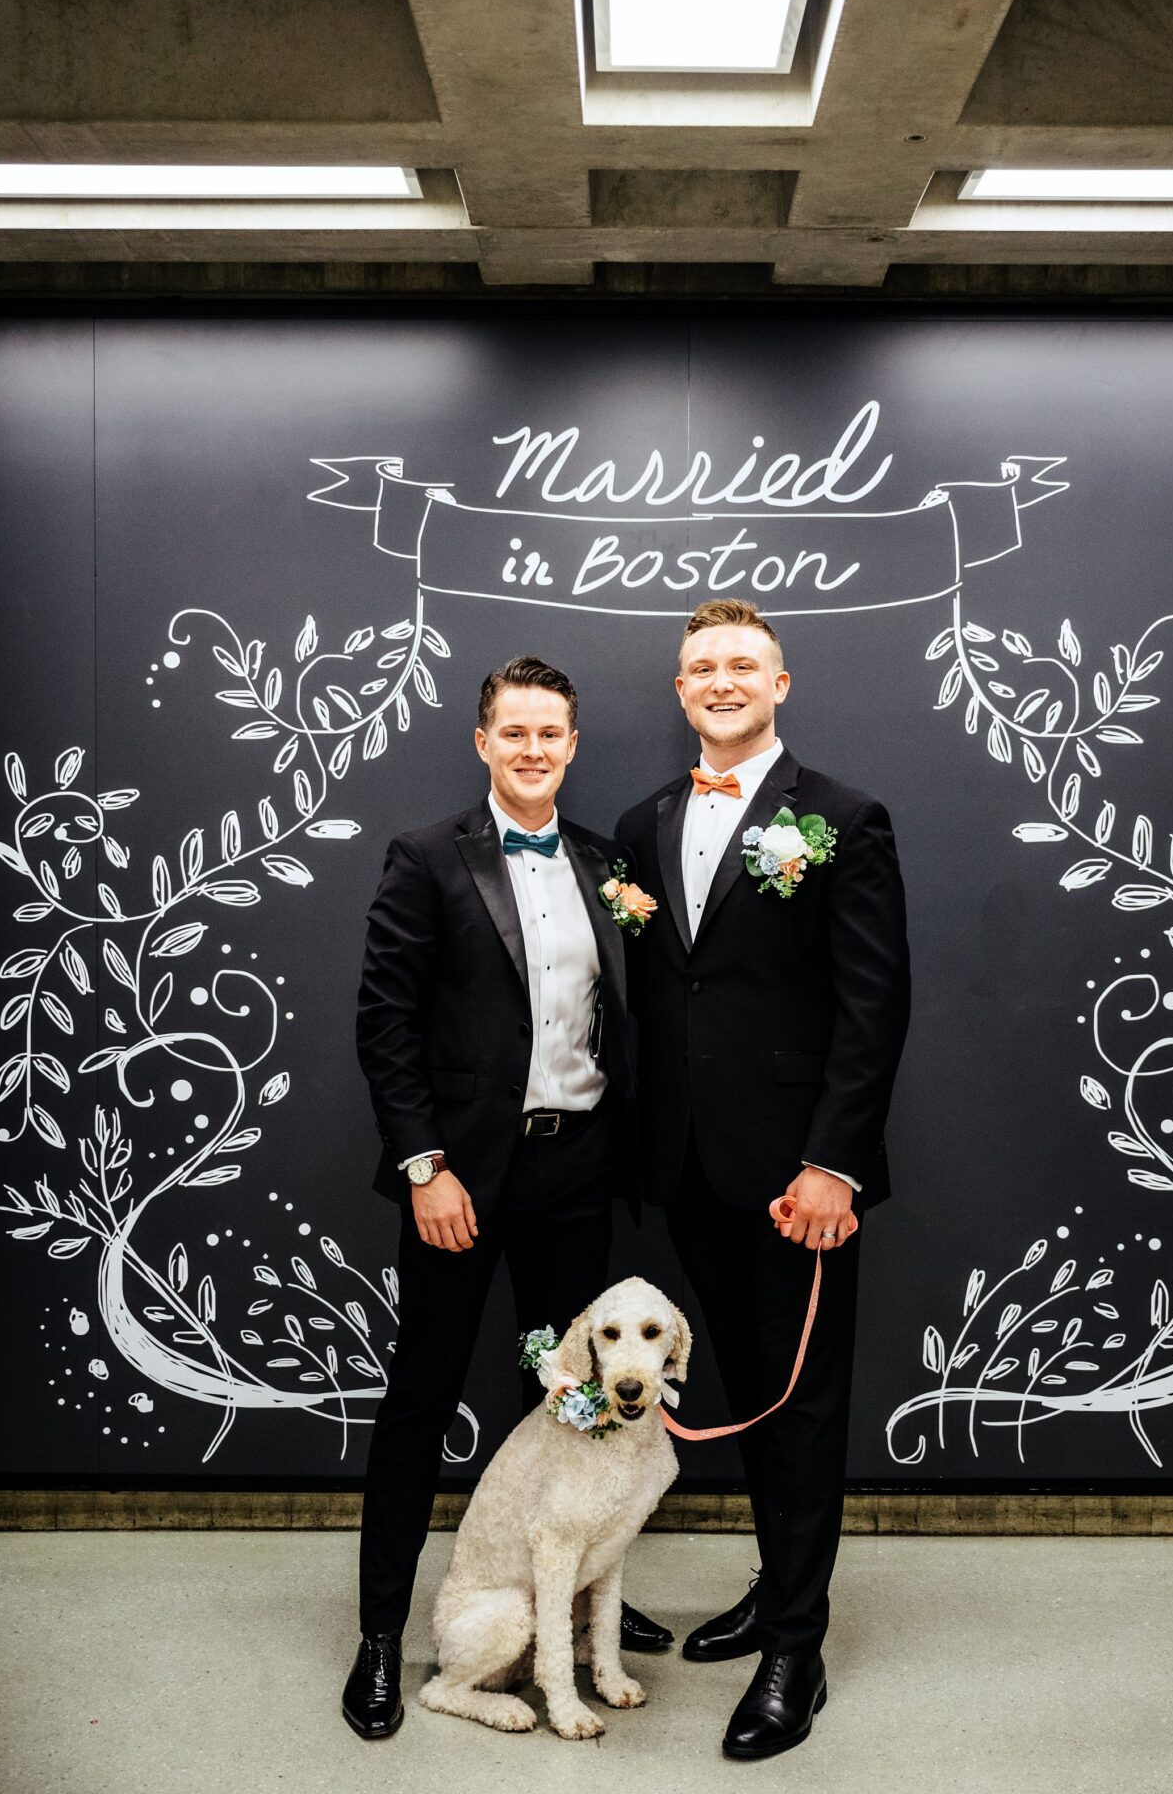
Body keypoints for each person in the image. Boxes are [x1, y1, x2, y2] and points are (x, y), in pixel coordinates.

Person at [342, 655, 670, 1741]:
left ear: (572, 745)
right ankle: (384, 1632)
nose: (533, 749)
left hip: (575, 1168)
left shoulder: (604, 859)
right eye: (514, 732)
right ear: (483, 741)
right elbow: (384, 1022)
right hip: (462, 1177)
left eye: (551, 733)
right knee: (423, 1394)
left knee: (575, 1401)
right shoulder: (427, 855)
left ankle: (581, 1608)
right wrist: (425, 1166)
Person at [617, 597, 909, 1762]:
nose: (722, 678)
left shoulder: (843, 818)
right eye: (702, 666)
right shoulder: (641, 825)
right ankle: (776, 1583)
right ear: (681, 689)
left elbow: (873, 1000)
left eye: (743, 662)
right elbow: (659, 993)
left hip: (799, 1179)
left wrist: (832, 1161)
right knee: (749, 1396)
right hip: (684, 1166)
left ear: (780, 682)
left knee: (804, 1403)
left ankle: (798, 1645)